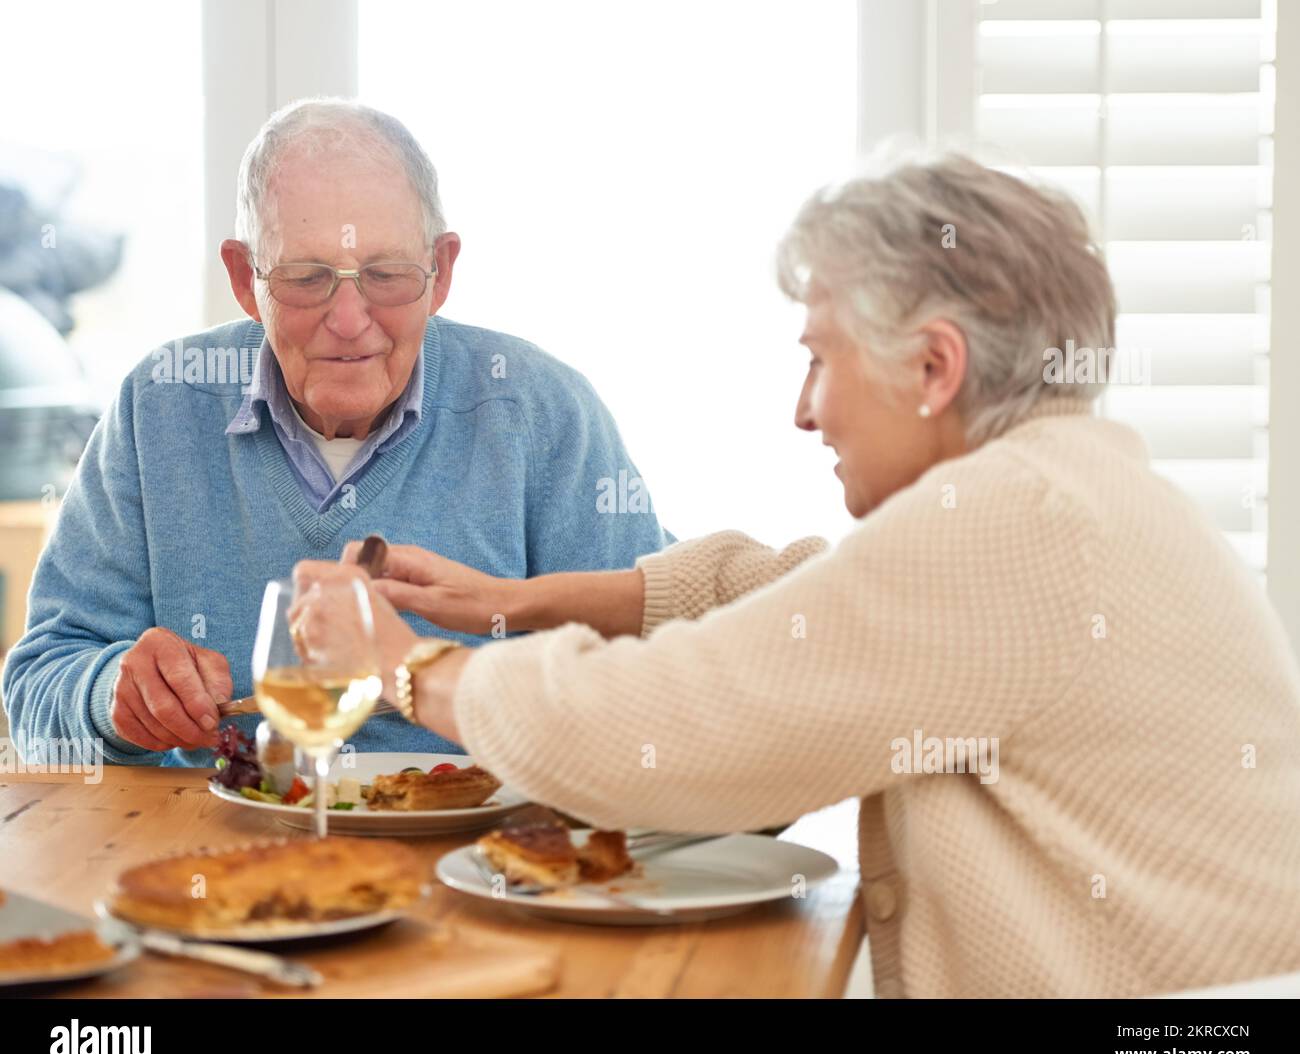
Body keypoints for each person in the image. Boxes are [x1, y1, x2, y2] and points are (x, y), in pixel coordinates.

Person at [293, 151, 1300, 998]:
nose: (803, 409)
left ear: (933, 369)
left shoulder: (1009, 525)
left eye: (819, 358)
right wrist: (519, 601)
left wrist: (407, 668)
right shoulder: (1064, 495)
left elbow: (662, 725)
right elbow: (812, 596)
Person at [1, 98, 669, 766]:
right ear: (244, 278)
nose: (349, 320)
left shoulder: (542, 412)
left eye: (385, 275)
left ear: (441, 272)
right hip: (215, 854)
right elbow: (36, 691)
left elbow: (659, 683)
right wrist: (107, 693)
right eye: (306, 277)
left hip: (477, 861)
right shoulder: (160, 407)